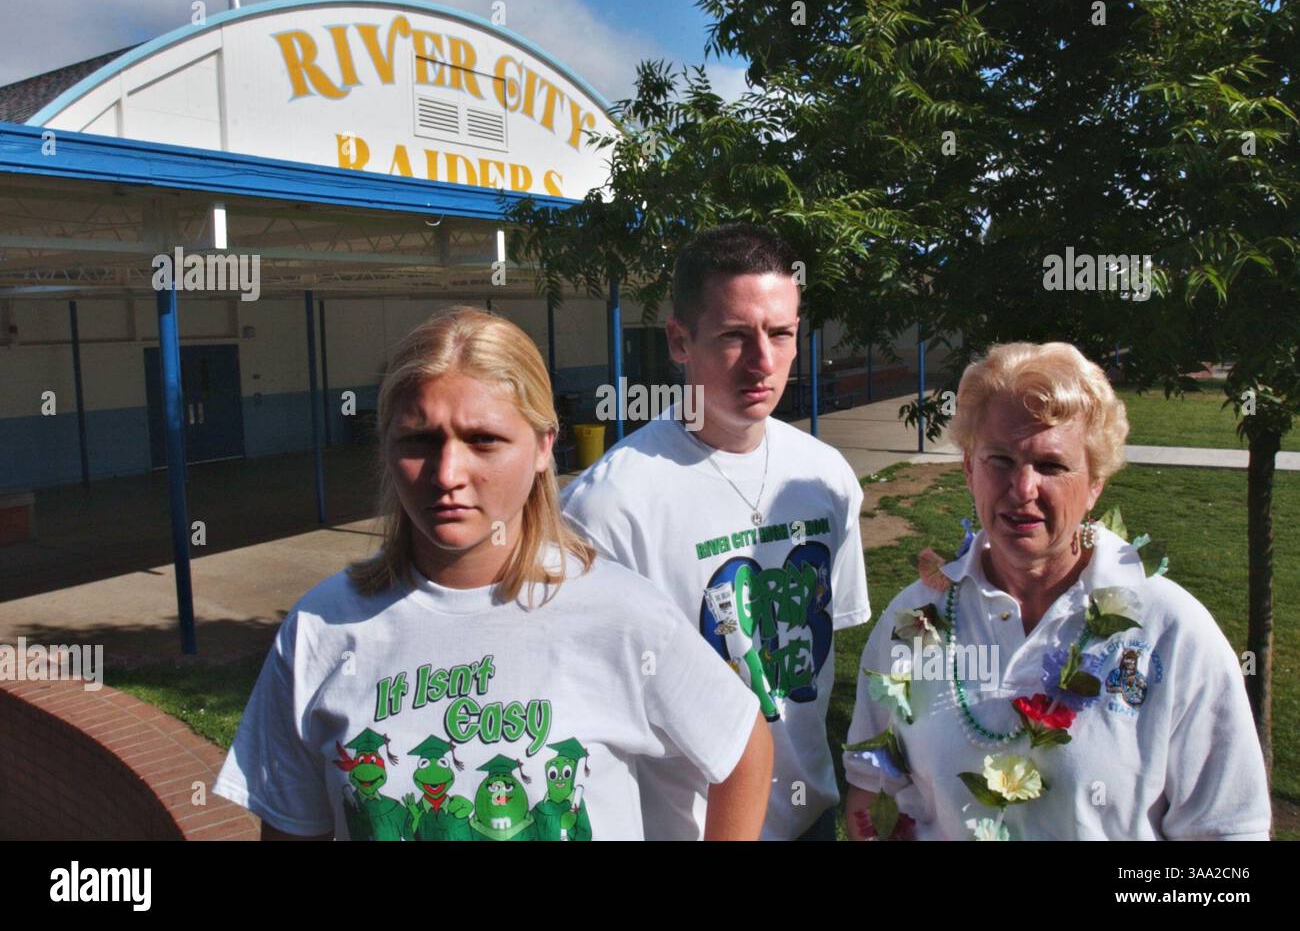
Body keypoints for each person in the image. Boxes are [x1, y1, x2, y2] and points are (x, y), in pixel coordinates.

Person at [213, 306, 773, 841]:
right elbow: (292, 823)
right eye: (419, 441)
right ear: (385, 447)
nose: (447, 473)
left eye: (483, 440)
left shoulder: (619, 613)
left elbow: (743, 747)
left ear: (542, 446)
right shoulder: (319, 629)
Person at [843, 342, 1271, 840]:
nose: (1022, 488)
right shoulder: (914, 618)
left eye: (1050, 466)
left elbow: (1229, 835)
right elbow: (867, 793)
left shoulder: (1169, 630)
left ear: (1095, 483)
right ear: (968, 468)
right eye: (999, 459)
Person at [562, 223, 871, 840]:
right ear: (679, 340)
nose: (762, 361)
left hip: (812, 817)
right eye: (734, 335)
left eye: (780, 334)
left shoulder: (827, 478)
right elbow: (583, 709)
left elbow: (823, 648)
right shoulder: (609, 507)